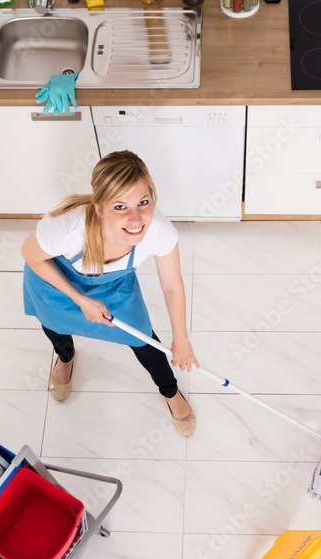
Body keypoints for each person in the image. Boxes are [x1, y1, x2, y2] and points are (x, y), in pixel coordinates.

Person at [21, 150, 198, 435]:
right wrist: (79, 300)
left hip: (113, 286)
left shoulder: (159, 231)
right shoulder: (68, 229)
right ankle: (66, 357)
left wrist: (181, 338)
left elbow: (172, 286)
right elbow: (30, 254)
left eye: (143, 202)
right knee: (54, 325)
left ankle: (170, 390)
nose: (136, 218)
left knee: (143, 339)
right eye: (120, 207)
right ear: (100, 209)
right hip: (56, 284)